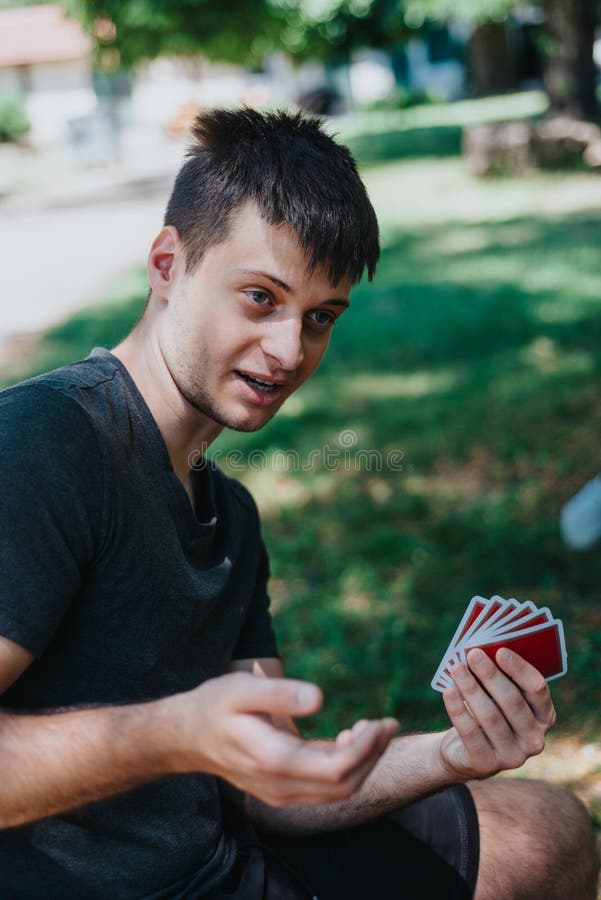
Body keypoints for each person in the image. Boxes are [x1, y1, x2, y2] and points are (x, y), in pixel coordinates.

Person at [0, 107, 597, 900]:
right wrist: (171, 734)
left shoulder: (229, 517)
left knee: (550, 830)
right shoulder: (46, 442)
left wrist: (451, 754)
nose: (289, 351)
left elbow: (268, 790)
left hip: (227, 863)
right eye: (259, 297)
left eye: (319, 318)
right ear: (168, 264)